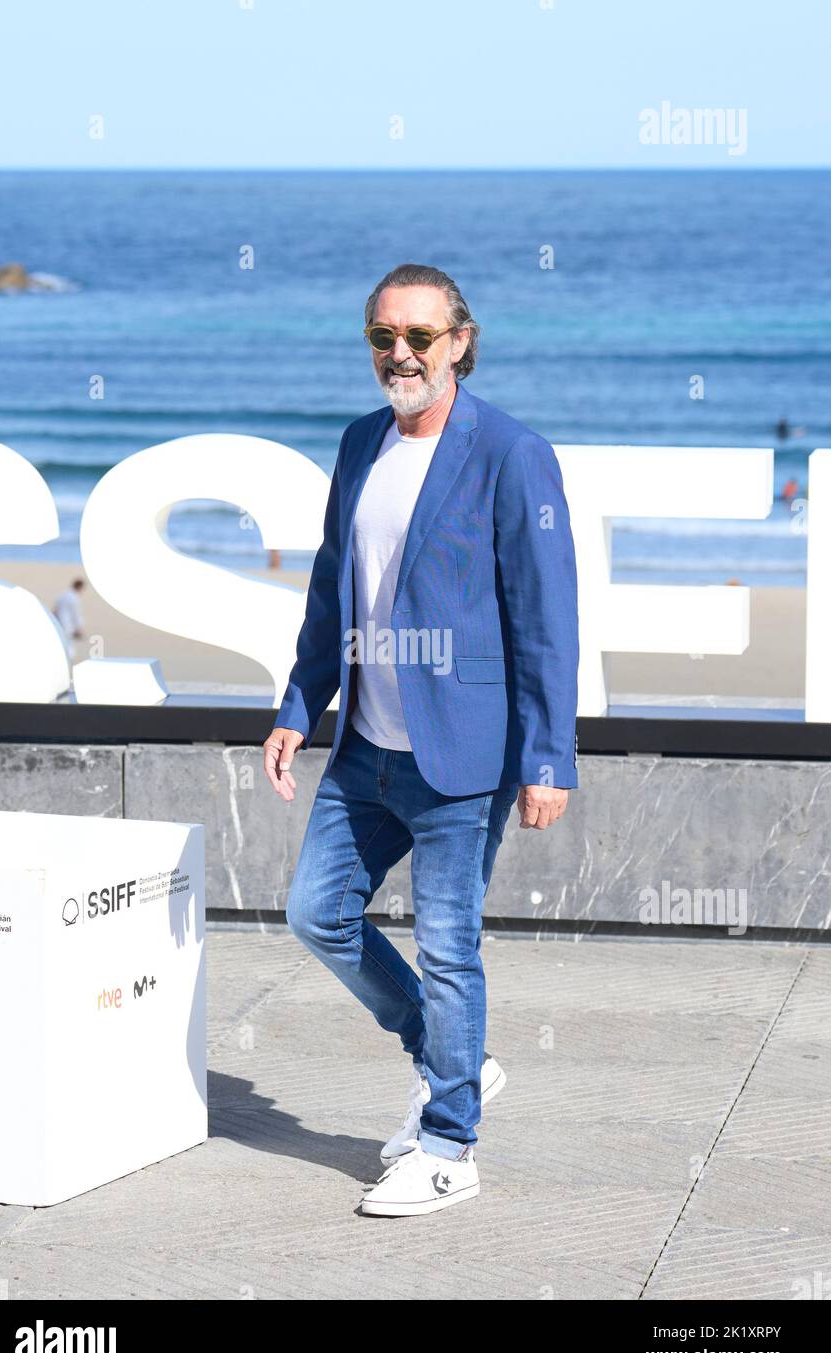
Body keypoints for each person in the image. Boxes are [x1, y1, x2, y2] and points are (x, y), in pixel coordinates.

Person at [263, 264, 580, 1217]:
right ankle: (454, 1058)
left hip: (465, 754)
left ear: (461, 343)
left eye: (420, 337)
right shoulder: (361, 443)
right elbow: (333, 590)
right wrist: (295, 705)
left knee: (449, 948)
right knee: (318, 914)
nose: (400, 354)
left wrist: (548, 755)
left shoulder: (511, 455)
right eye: (382, 338)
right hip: (365, 745)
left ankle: (450, 1143)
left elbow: (545, 614)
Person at [52, 576, 86, 659]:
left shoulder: (63, 595)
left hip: (59, 625)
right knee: (69, 649)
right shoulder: (73, 598)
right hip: (68, 627)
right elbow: (75, 615)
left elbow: (55, 610)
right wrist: (79, 628)